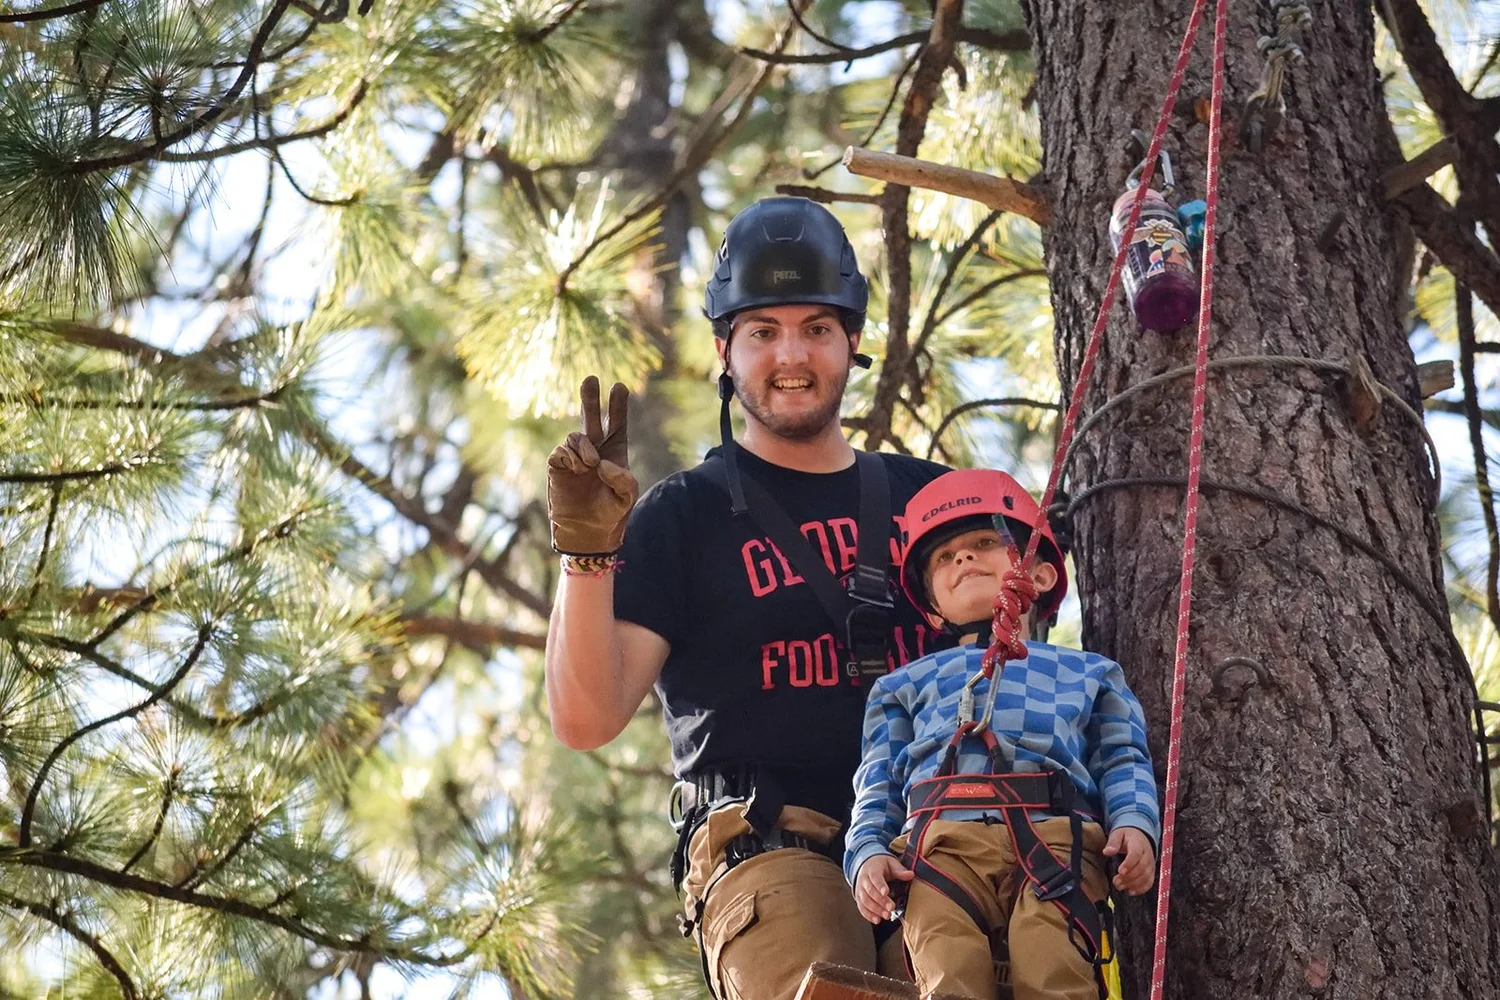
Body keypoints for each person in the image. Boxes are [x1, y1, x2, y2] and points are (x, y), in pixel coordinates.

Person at [544, 196, 952, 1000]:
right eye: (763, 331)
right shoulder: (685, 514)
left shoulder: (932, 500)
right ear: (725, 352)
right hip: (774, 842)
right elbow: (585, 718)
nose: (791, 354)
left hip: (940, 841)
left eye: (816, 328)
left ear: (853, 343)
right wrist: (587, 555)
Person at [845, 469, 1160, 1000]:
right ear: (931, 606)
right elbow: (877, 779)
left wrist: (1135, 822)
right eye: (944, 558)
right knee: (948, 976)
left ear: (1037, 576)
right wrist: (867, 853)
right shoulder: (902, 686)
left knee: (1054, 970)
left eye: (985, 543)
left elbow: (1122, 756)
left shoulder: (1090, 673)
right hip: (939, 849)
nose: (963, 559)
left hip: (1055, 839)